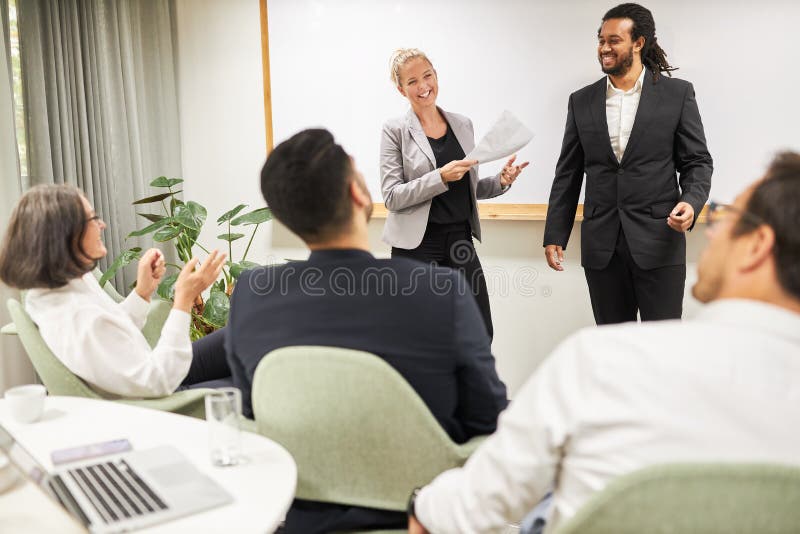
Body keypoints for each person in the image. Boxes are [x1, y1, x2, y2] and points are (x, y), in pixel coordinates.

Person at [407, 151, 800, 533]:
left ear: (756, 246)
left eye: (724, 216)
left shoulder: (600, 363)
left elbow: (466, 511)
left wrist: (422, 501)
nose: (711, 228)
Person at [226, 128, 508, 533]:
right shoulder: (440, 291)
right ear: (359, 195)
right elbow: (490, 423)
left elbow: (256, 419)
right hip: (422, 520)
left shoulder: (252, 294)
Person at [543, 3, 713, 325]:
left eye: (614, 40)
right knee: (611, 348)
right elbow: (567, 173)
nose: (604, 48)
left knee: (661, 348)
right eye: (601, 40)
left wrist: (691, 202)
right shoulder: (581, 101)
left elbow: (697, 162)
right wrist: (555, 233)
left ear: (639, 42)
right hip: (601, 247)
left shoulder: (677, 95)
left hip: (659, 242)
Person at [0, 184, 230, 397]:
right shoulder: (77, 317)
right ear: (66, 235)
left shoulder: (60, 288)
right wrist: (183, 300)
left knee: (240, 334)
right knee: (252, 376)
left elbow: (111, 331)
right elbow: (159, 380)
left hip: (147, 370)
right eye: (93, 219)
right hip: (159, 397)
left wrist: (142, 292)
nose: (102, 225)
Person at [381, 48, 529, 339]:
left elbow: (466, 187)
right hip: (417, 247)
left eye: (427, 75)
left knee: (479, 332)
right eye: (412, 82)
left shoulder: (462, 124)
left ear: (436, 75)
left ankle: (470, 387)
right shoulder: (395, 130)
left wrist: (500, 181)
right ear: (401, 89)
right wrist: (440, 177)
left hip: (459, 240)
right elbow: (392, 196)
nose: (423, 86)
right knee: (419, 336)